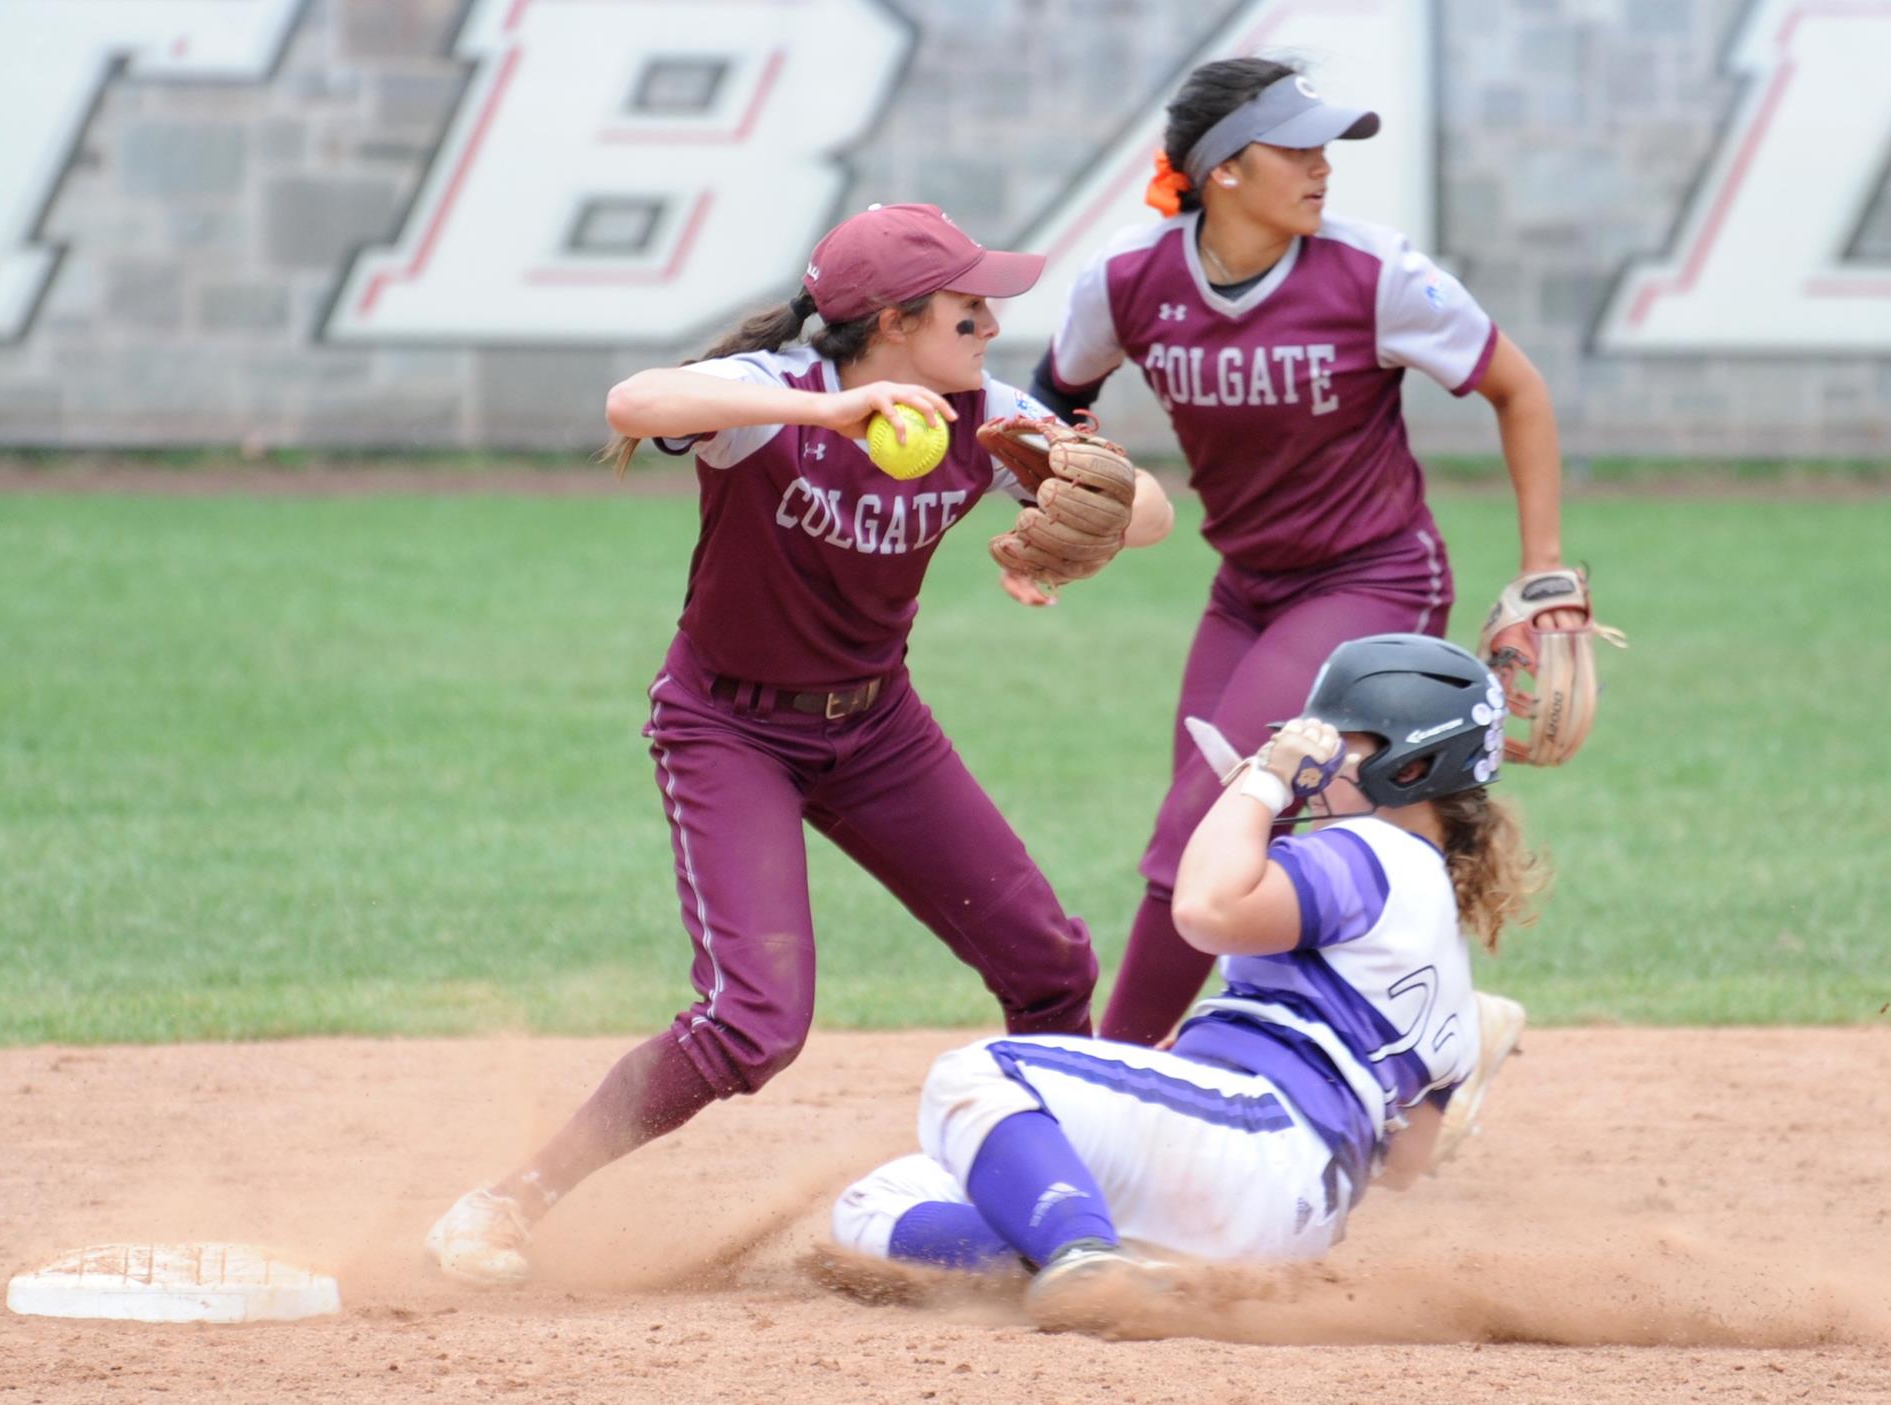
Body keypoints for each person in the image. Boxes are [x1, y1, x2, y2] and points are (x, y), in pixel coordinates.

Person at [423, 203, 1176, 1286]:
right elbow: (632, 403)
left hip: (875, 727)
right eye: (966, 309)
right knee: (754, 1024)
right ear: (892, 323)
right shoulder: (773, 400)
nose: (990, 323)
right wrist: (836, 415)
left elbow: (1149, 512)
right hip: (728, 725)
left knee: (1050, 966)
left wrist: (1080, 495)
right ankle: (506, 1204)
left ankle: (1064, 1210)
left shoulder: (985, 414)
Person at [1020, 56, 1587, 1045]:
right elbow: (1053, 400)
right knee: (1225, 828)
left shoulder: (1373, 273)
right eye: (1296, 148)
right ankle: (1437, 1025)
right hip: (1245, 592)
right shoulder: (1129, 278)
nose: (1322, 166)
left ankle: (1107, 1067)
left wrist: (1541, 571)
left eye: (1324, 147)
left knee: (1215, 809)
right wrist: (1049, 520)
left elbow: (1519, 389)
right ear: (1223, 170)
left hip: (1375, 577)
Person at [820, 634, 1541, 1335]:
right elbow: (1405, 1165)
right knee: (879, 1204)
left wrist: (1264, 782)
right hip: (1277, 1214)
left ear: (1410, 769)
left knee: (980, 1073)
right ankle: (1118, 1271)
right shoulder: (1438, 935)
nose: (1311, 757)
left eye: (1337, 740)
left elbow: (1205, 909)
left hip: (1251, 1145)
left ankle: (1082, 1258)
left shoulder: (1373, 847)